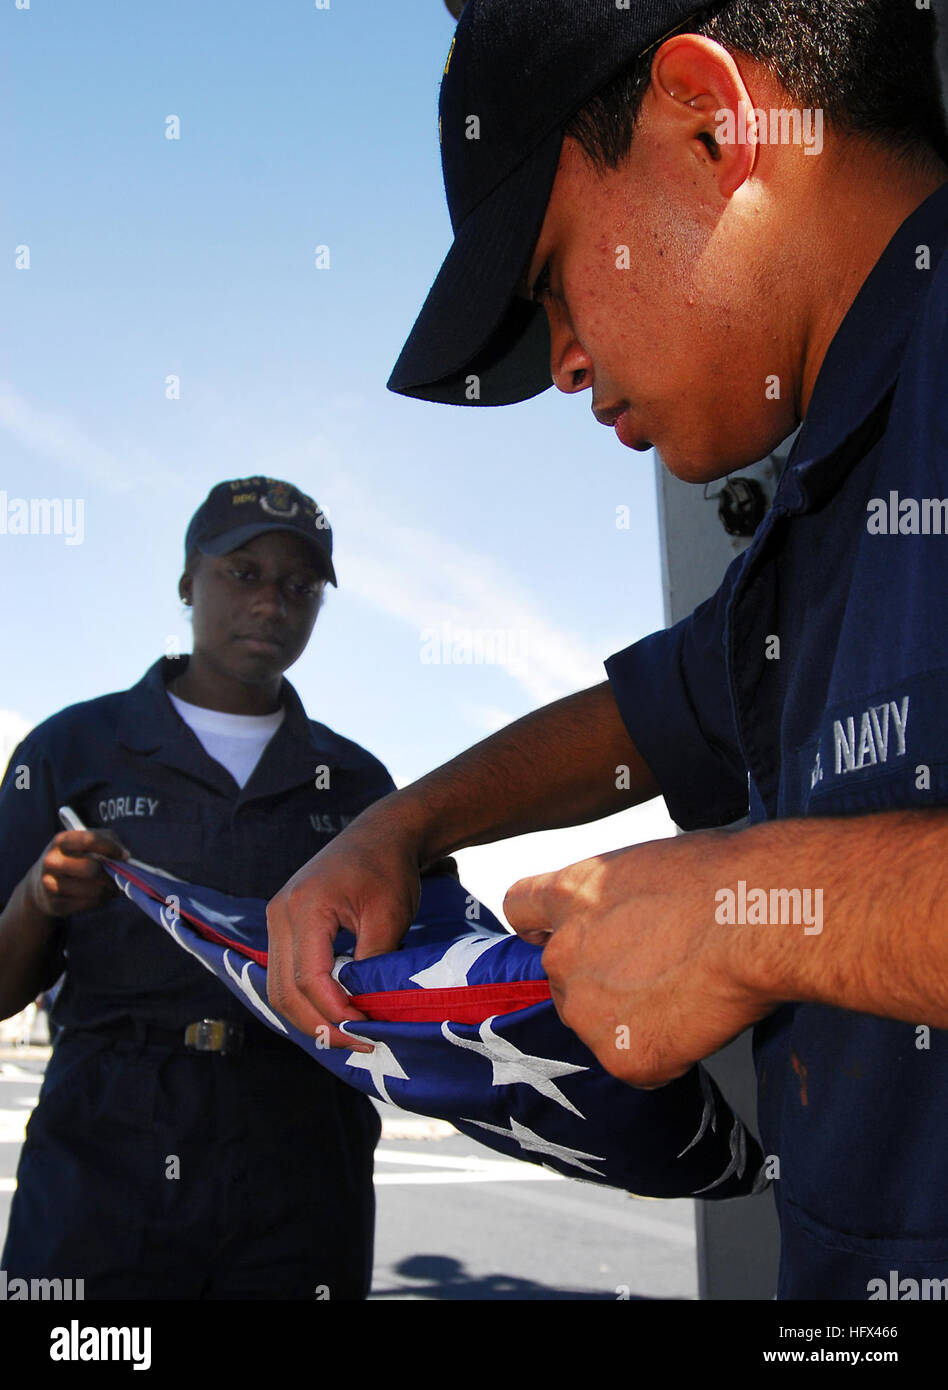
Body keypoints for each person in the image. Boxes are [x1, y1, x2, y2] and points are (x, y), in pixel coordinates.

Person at [266, 1, 948, 1300]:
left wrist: (754, 911)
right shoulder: (821, 523)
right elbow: (644, 720)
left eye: (555, 282)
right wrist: (398, 830)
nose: (567, 362)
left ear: (709, 122)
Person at [0, 476, 396, 1299]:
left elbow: (418, 969)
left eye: (300, 585)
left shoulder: (359, 786)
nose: (272, 603)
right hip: (102, 1155)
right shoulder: (72, 750)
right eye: (243, 573)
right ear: (188, 582)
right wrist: (39, 900)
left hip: (298, 1149)